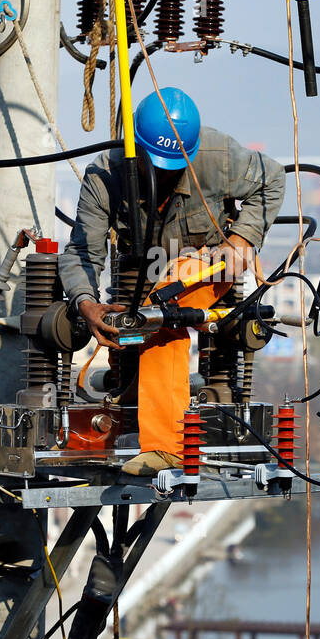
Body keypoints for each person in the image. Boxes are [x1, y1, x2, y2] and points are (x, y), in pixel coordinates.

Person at [59, 87, 286, 475]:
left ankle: (166, 447)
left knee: (162, 315)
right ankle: (130, 404)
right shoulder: (105, 176)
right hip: (142, 275)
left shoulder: (217, 156)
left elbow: (274, 179)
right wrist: (86, 303)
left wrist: (243, 238)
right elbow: (82, 252)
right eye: (157, 164)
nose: (166, 172)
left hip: (206, 265)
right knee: (132, 329)